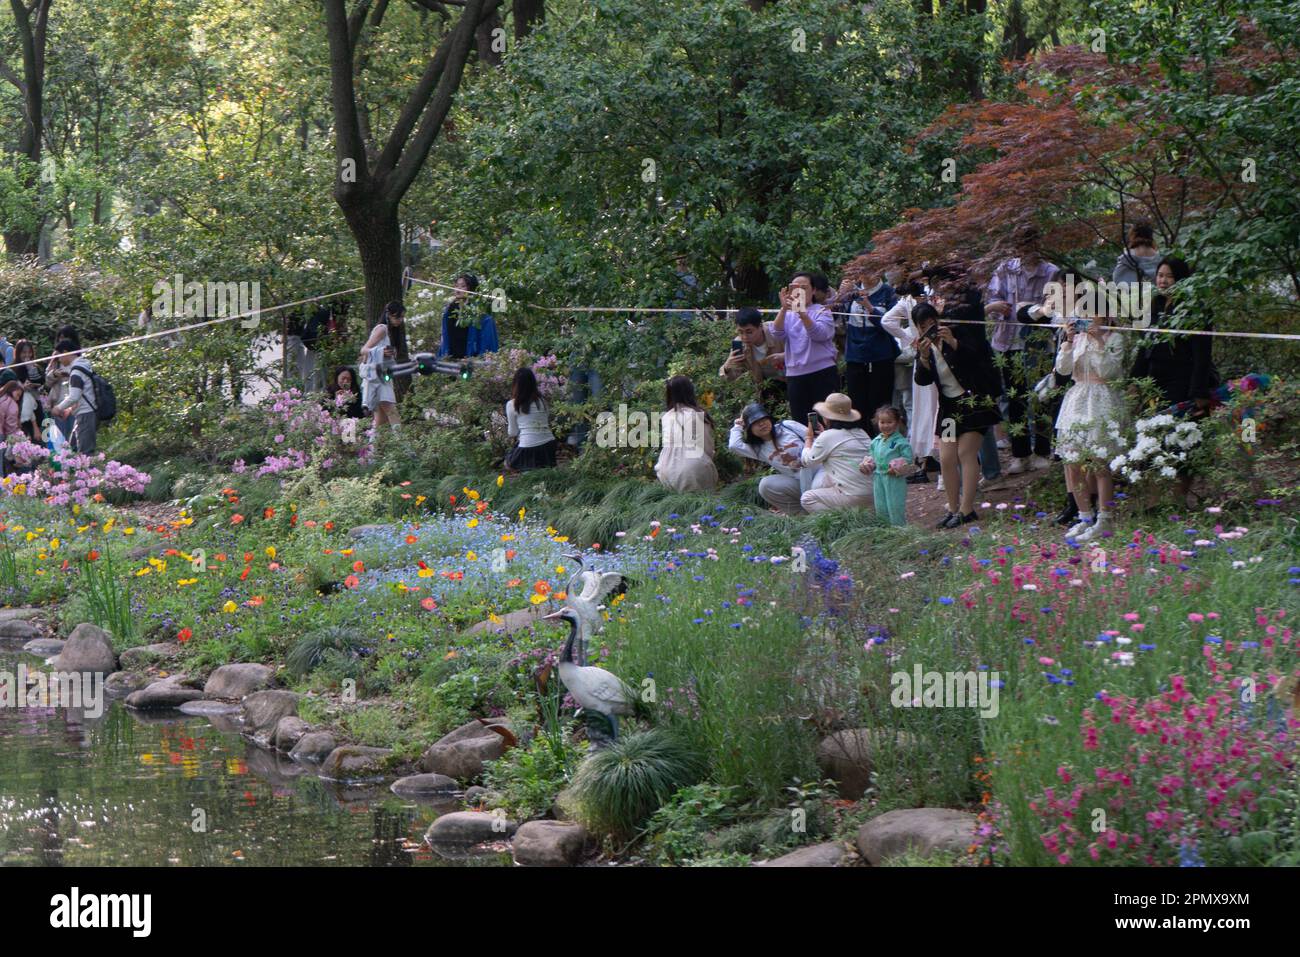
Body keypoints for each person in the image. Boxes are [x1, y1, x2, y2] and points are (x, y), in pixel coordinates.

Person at [1130, 256, 1218, 500]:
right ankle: (1155, 498)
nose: (1163, 280)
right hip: (1154, 381)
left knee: (1182, 440)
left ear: (1181, 279)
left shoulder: (1195, 308)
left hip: (1183, 382)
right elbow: (1143, 348)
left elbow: (1202, 354)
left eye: (1169, 276)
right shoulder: (1154, 305)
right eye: (1160, 275)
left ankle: (1178, 499)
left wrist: (1199, 392)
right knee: (1153, 438)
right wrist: (1135, 382)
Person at [912, 295, 1002, 528]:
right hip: (950, 409)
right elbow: (922, 380)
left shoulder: (959, 333)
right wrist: (923, 358)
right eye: (923, 326)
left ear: (938, 319)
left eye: (931, 322)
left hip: (975, 403)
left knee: (965, 453)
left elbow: (978, 358)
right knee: (946, 458)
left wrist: (953, 343)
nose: (929, 328)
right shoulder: (924, 348)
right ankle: (952, 508)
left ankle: (967, 509)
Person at [985, 227, 1061, 474]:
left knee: (1041, 395)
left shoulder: (1051, 271)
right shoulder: (1005, 268)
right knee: (1014, 396)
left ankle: (1042, 451)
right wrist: (995, 306)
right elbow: (992, 297)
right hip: (1007, 340)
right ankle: (1020, 454)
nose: (1025, 249)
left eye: (1030, 243)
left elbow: (1054, 306)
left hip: (1038, 341)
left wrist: (1035, 310)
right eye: (1021, 244)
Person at [1054, 296, 1126, 542]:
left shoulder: (1115, 338)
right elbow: (1063, 370)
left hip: (1101, 400)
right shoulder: (1077, 339)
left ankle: (1105, 518)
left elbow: (1109, 372)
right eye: (1081, 315)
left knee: (1099, 462)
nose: (1085, 320)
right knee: (1071, 461)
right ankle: (1085, 516)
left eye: (1090, 314)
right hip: (1076, 399)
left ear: (1104, 315)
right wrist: (1068, 342)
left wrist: (1098, 342)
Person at [882, 278, 940, 485]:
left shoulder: (907, 303)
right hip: (933, 357)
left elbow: (887, 321)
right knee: (934, 408)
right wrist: (911, 339)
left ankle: (928, 460)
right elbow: (886, 321)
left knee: (924, 410)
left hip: (923, 357)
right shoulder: (932, 299)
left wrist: (910, 339)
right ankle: (929, 460)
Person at [772, 272, 840, 424]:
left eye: (804, 288)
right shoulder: (787, 314)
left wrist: (803, 314)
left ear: (813, 290)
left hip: (822, 372)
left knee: (827, 420)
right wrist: (783, 309)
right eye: (795, 288)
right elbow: (777, 333)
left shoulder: (822, 311)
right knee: (802, 422)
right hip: (795, 375)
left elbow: (819, 334)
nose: (799, 292)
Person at [728, 402, 813, 515]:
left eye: (763, 419)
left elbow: (814, 439)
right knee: (766, 485)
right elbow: (734, 446)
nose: (762, 424)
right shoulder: (758, 449)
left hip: (820, 472)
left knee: (818, 486)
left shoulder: (787, 426)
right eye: (755, 423)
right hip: (801, 482)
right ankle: (802, 515)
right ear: (749, 429)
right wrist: (738, 426)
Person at [843, 274, 900, 438]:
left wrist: (870, 307)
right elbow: (835, 317)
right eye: (861, 270)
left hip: (881, 357)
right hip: (855, 357)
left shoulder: (888, 293)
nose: (865, 274)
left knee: (881, 406)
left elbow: (892, 326)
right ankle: (861, 444)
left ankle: (884, 444)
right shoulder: (851, 292)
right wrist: (841, 295)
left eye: (870, 269)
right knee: (857, 406)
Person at [799, 393, 873, 513]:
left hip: (852, 495)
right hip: (873, 494)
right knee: (822, 482)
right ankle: (859, 513)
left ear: (827, 417)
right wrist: (824, 434)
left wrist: (808, 438)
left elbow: (807, 461)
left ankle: (843, 519)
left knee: (807, 499)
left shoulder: (828, 436)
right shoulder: (861, 432)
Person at [655, 375, 718, 492]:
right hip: (693, 469)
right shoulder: (696, 414)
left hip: (665, 470)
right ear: (690, 391)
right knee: (702, 501)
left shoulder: (666, 417)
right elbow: (707, 447)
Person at [858, 405, 913, 526]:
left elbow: (908, 459)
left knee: (895, 505)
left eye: (889, 422)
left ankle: (899, 530)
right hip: (878, 477)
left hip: (894, 479)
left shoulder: (901, 442)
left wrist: (898, 466)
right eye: (882, 422)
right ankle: (884, 530)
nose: (886, 425)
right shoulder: (875, 441)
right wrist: (868, 465)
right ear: (877, 422)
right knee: (880, 505)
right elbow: (872, 457)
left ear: (897, 422)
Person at [358, 301, 404, 431]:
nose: (400, 320)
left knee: (381, 420)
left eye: (402, 317)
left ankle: (374, 444)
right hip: (377, 378)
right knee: (392, 412)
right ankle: (402, 442)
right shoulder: (382, 329)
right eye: (398, 316)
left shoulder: (391, 331)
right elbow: (364, 350)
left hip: (383, 376)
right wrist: (380, 351)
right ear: (389, 315)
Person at [505, 367, 558, 472]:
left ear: (515, 384)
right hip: (549, 444)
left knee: (508, 463)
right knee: (543, 468)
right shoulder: (542, 401)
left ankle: (529, 474)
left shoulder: (512, 404)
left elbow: (512, 433)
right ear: (533, 383)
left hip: (527, 447)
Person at [50, 339, 98, 454]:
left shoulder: (76, 371)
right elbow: (82, 393)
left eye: (59, 356)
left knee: (85, 454)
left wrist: (58, 408)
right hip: (85, 412)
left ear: (65, 352)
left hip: (85, 414)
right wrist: (69, 410)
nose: (59, 360)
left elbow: (74, 396)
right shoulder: (83, 366)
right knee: (74, 449)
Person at [719, 307, 785, 386]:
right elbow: (732, 378)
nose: (744, 337)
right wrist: (727, 367)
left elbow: (798, 352)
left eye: (749, 332)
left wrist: (784, 356)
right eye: (740, 332)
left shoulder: (777, 330)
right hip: (763, 387)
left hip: (790, 382)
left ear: (760, 326)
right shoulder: (740, 344)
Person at [439, 273, 499, 360]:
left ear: (471, 288)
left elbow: (487, 343)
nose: (458, 289)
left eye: (463, 286)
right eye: (456, 286)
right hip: (451, 359)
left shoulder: (481, 314)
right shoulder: (449, 311)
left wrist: (478, 360)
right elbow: (445, 338)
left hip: (471, 361)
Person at [11, 339, 44, 443]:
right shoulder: (13, 369)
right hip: (20, 410)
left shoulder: (35, 367)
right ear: (18, 353)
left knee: (38, 441)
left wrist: (31, 368)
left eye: (29, 352)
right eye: (24, 352)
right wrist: (22, 388)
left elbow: (41, 382)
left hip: (36, 408)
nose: (27, 355)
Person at [1112, 221, 1161, 288]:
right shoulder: (1158, 257)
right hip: (1153, 293)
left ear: (1133, 235)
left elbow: (1118, 279)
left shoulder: (1127, 257)